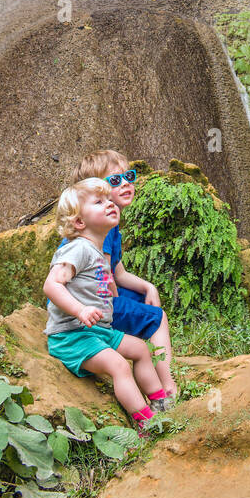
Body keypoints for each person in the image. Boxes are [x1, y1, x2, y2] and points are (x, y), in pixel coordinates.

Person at [43, 178, 167, 433]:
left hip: (100, 333)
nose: (110, 203)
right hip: (73, 336)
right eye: (99, 202)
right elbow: (51, 285)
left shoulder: (97, 251)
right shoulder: (77, 249)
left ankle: (162, 404)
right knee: (119, 365)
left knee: (141, 349)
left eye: (109, 200)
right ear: (79, 222)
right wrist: (80, 309)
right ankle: (147, 423)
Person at [66, 150, 177, 402]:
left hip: (91, 300)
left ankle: (147, 363)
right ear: (95, 190)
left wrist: (149, 287)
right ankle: (167, 384)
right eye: (115, 180)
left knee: (141, 300)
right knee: (158, 318)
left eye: (128, 176)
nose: (126, 183)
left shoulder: (109, 223)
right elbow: (103, 278)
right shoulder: (101, 225)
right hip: (94, 304)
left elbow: (118, 271)